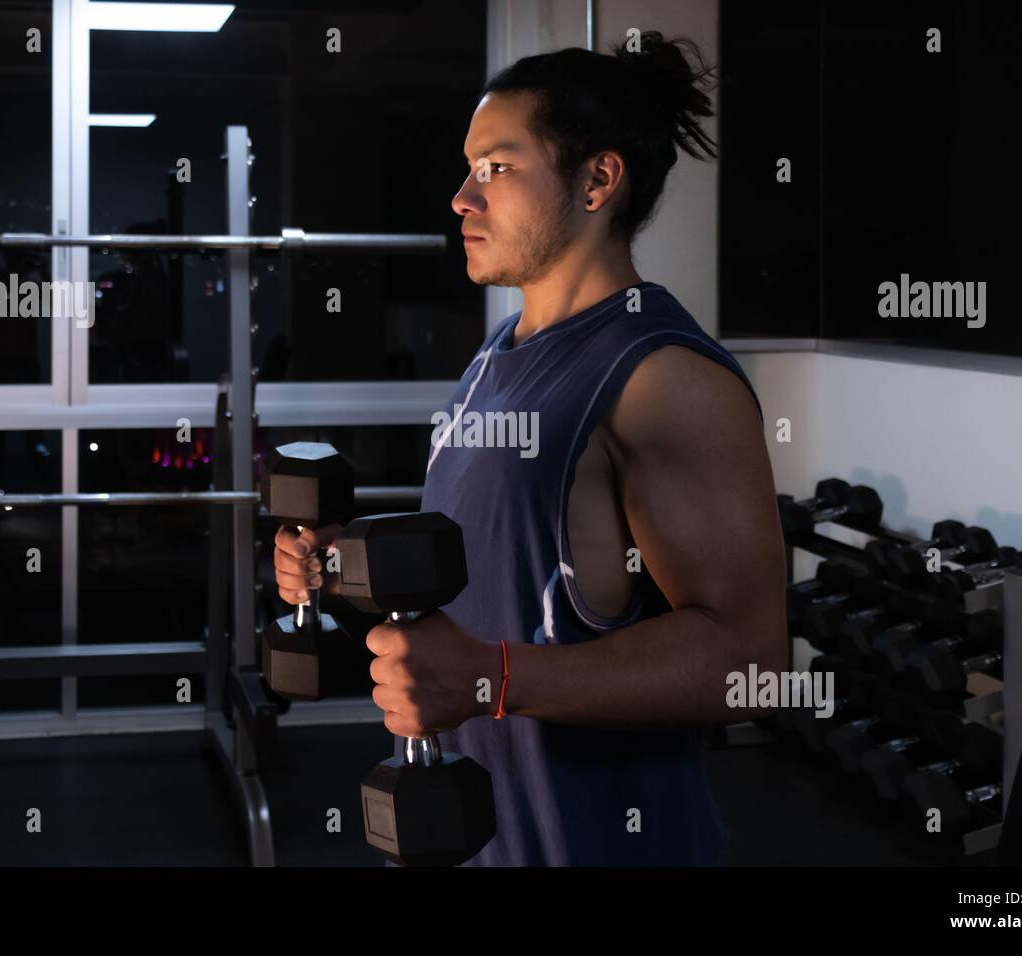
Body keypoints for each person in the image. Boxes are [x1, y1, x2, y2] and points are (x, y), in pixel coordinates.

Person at [274, 32, 787, 865]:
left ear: (597, 180)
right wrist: (341, 568)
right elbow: (495, 563)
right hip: (486, 840)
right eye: (469, 168)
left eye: (497, 168)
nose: (461, 198)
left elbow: (749, 660)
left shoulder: (660, 376)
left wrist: (492, 680)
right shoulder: (500, 355)